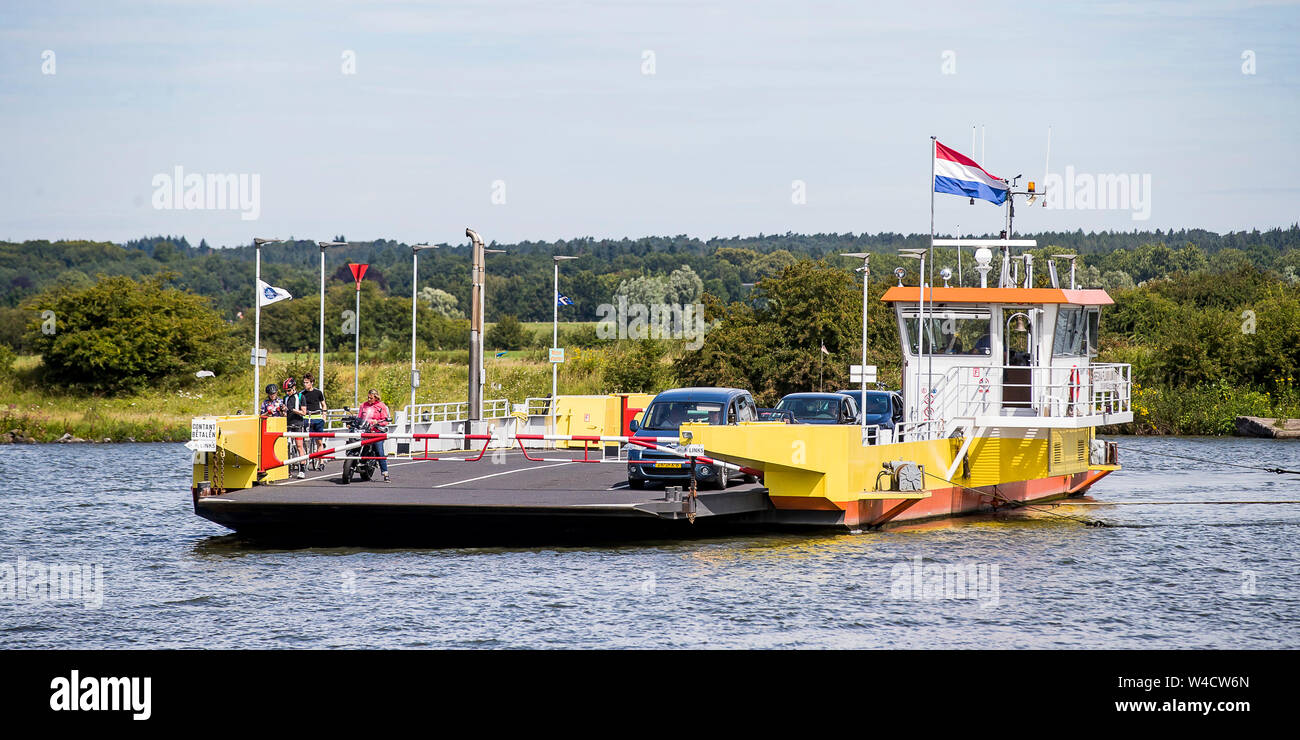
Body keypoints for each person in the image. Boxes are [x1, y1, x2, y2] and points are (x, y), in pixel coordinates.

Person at [358, 388, 391, 482]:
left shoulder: (381, 406)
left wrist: (377, 422)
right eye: (368, 397)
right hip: (365, 430)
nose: (369, 400)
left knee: (379, 451)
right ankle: (354, 460)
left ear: (376, 398)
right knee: (354, 443)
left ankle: (385, 473)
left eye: (371, 398)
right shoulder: (363, 405)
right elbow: (359, 418)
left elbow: (385, 420)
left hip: (377, 431)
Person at [296, 374, 328, 471]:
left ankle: (321, 461)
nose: (305, 384)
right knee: (305, 440)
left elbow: (323, 405)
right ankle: (304, 460)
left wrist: (324, 417)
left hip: (317, 418)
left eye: (307, 382)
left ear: (312, 383)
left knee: (319, 441)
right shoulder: (301, 394)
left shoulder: (318, 392)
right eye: (304, 382)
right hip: (306, 419)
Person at [282, 377, 306, 478]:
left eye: (289, 390)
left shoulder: (301, 397)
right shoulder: (285, 398)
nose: (287, 393)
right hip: (287, 424)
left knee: (299, 446)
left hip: (297, 424)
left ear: (294, 388)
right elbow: (284, 413)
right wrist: (283, 411)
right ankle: (287, 470)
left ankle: (302, 469)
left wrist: (292, 410)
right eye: (286, 391)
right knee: (286, 447)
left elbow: (303, 412)